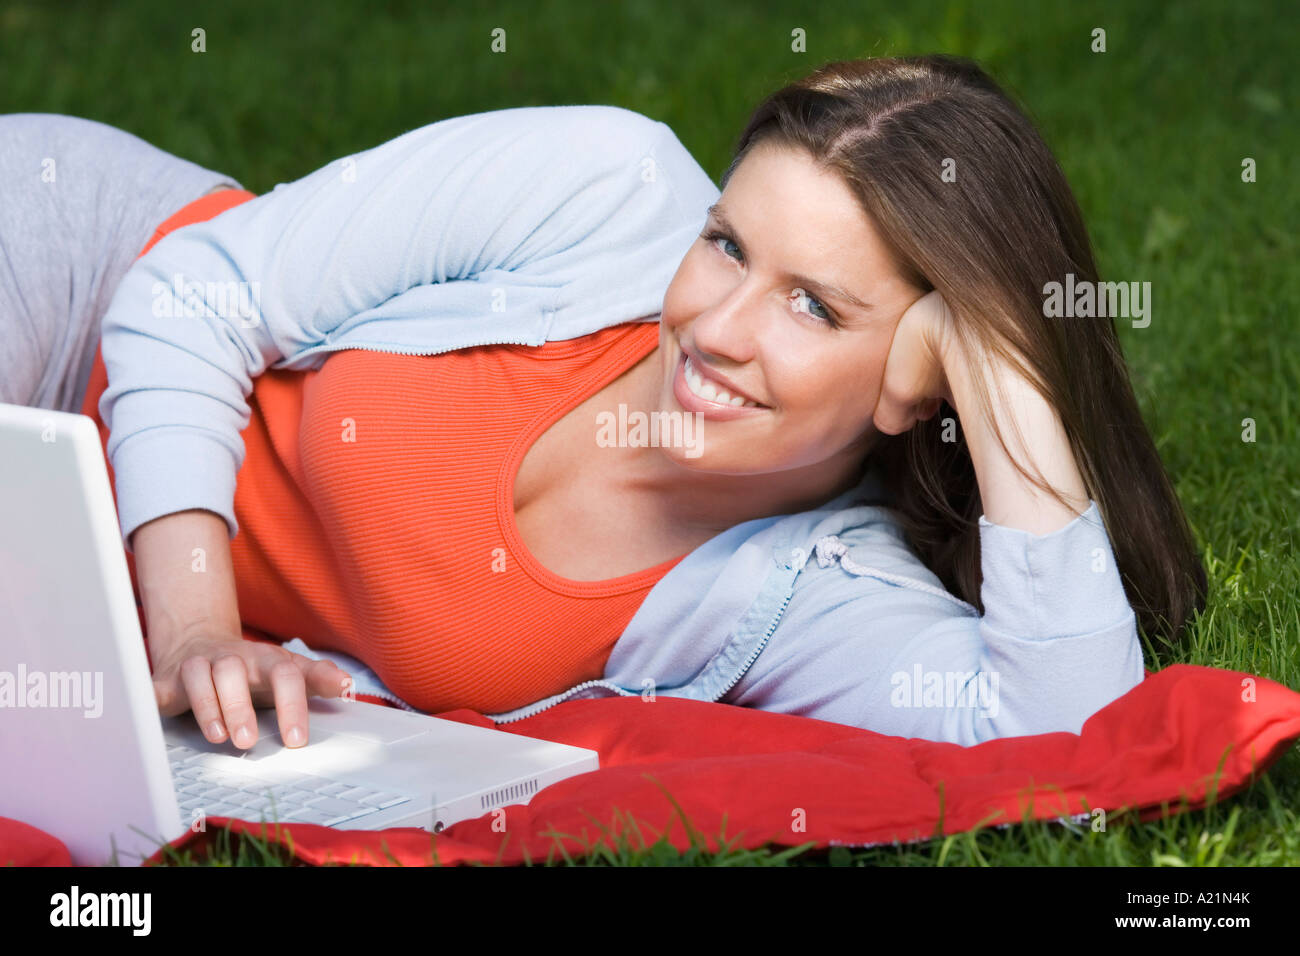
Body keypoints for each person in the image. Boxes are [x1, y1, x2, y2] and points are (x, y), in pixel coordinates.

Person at [1, 55, 1206, 753]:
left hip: (67, 562)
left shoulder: (809, 591)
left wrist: (999, 362)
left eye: (815, 309)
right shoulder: (603, 182)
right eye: (728, 244)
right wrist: (198, 629)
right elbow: (190, 296)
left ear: (915, 384)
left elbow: (1067, 734)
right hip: (72, 295)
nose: (717, 332)